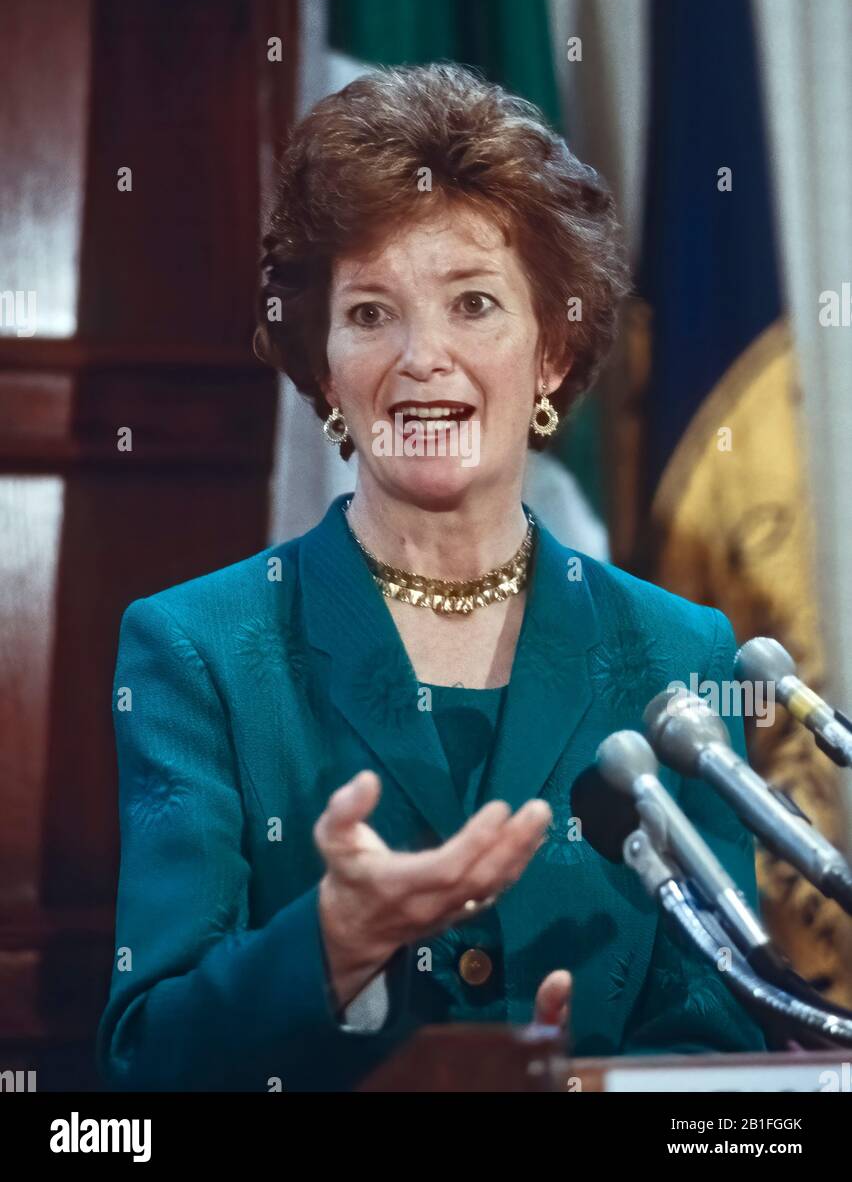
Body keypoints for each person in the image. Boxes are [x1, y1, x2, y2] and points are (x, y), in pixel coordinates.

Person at [96, 62, 766, 1092]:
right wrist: (329, 946)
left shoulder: (680, 656)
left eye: (473, 303)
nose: (422, 356)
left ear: (552, 350)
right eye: (370, 313)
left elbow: (728, 1059)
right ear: (325, 368)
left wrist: (588, 1086)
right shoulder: (197, 650)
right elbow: (144, 1067)